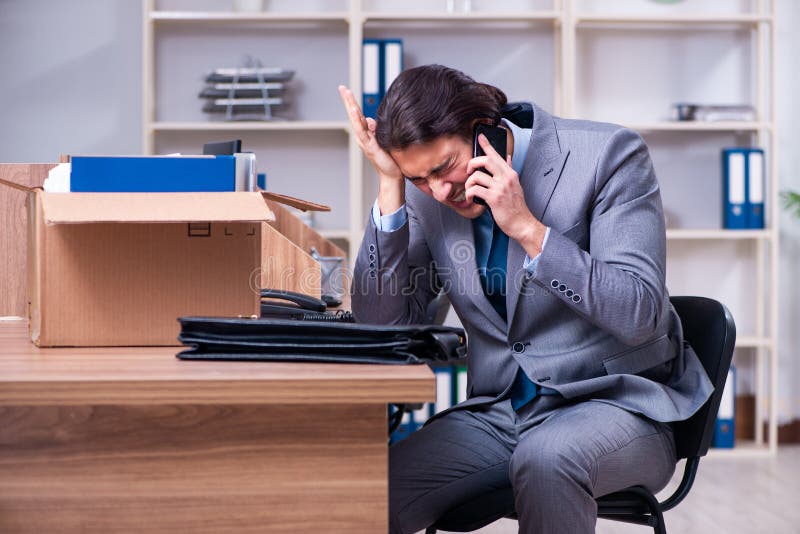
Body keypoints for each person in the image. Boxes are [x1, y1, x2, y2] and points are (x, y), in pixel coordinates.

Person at [338, 64, 712, 534]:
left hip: (619, 407)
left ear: (484, 130)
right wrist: (391, 187)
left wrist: (530, 231)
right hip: (501, 415)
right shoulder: (426, 195)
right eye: (418, 180)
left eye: (442, 167)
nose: (438, 191)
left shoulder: (608, 155)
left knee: (547, 460)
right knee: (365, 492)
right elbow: (382, 331)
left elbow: (640, 313)